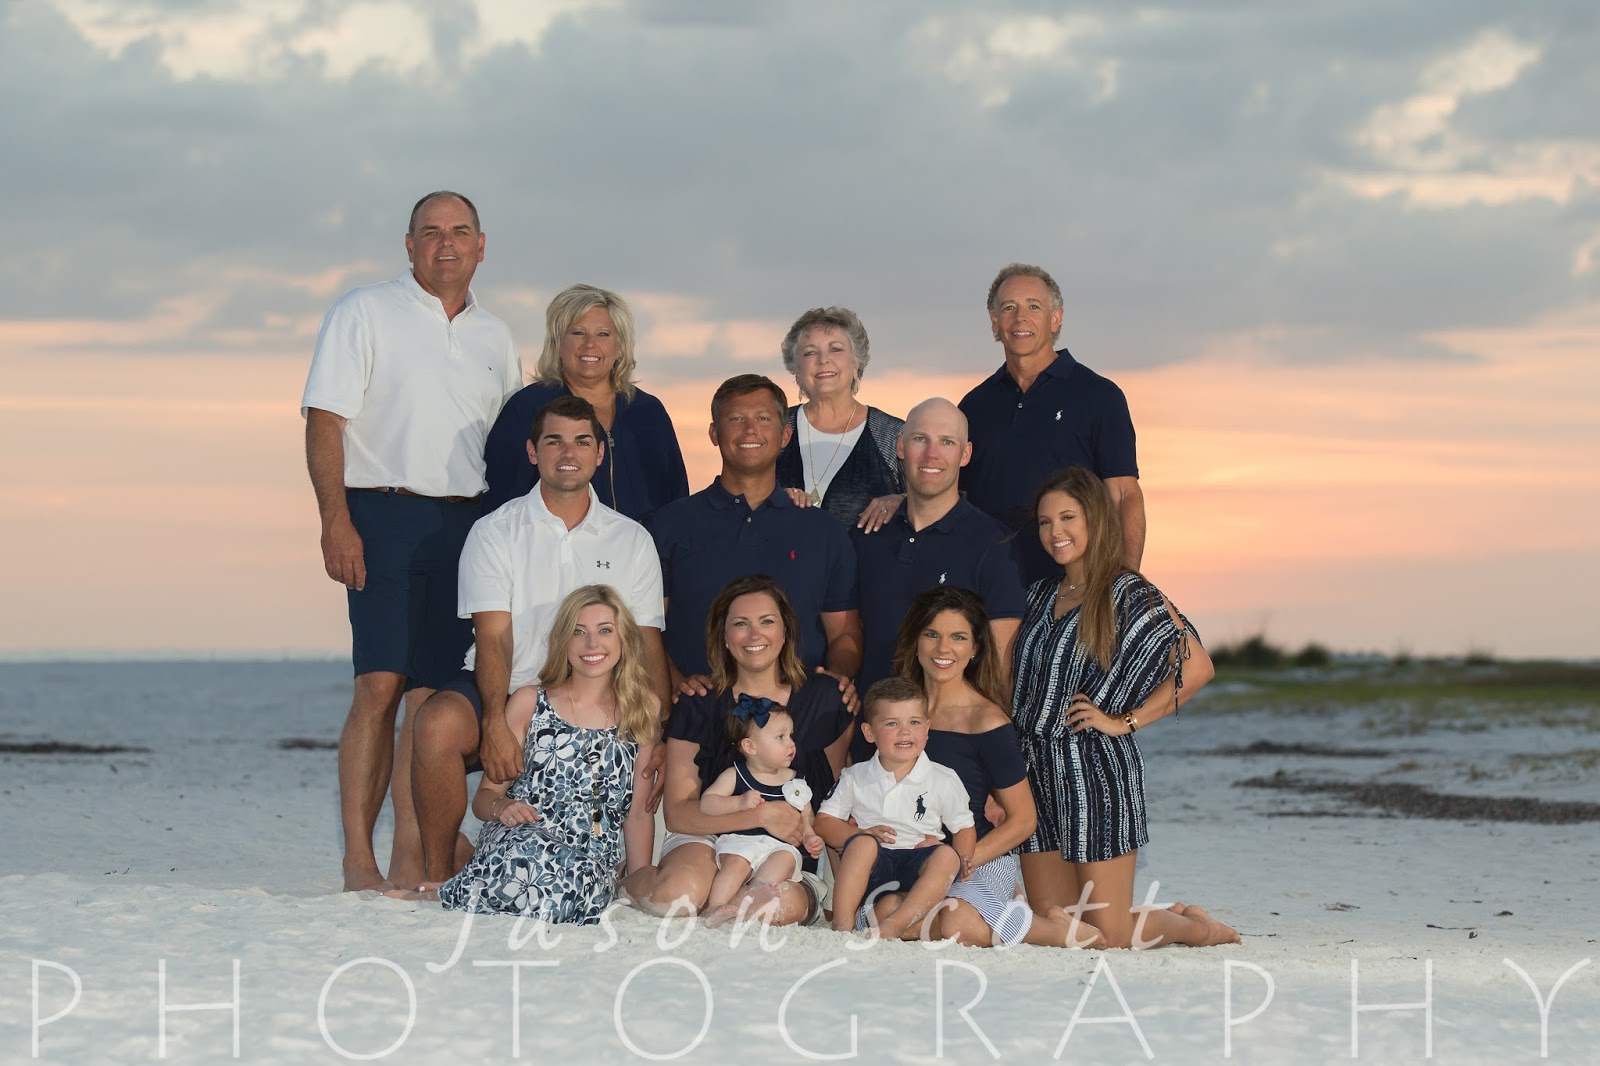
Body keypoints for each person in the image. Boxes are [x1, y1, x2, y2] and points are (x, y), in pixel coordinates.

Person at [301, 190, 523, 892]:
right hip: (382, 513)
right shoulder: (362, 312)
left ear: (482, 245)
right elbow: (324, 422)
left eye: (460, 232)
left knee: (429, 694)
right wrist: (336, 520)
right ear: (409, 245)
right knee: (379, 684)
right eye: (431, 233)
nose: (446, 244)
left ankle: (408, 857)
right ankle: (358, 860)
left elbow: (514, 447)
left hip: (467, 525)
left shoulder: (497, 336)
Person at [408, 395, 668, 887]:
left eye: (581, 441)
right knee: (437, 723)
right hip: (510, 683)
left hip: (598, 696)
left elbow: (647, 641)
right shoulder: (494, 532)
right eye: (554, 441)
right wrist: (493, 721)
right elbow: (493, 638)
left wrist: (661, 732)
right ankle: (441, 876)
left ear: (599, 454)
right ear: (532, 452)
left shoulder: (631, 539)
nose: (567, 452)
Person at [1012, 466, 1238, 948]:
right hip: (1035, 774)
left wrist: (1125, 722)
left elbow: (1196, 667)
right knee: (1062, 924)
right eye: (1046, 522)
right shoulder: (1036, 596)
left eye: (1068, 518)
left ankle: (1193, 927)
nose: (1056, 532)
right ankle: (1165, 915)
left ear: (1095, 519)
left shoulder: (1127, 592)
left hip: (1094, 772)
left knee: (1109, 934)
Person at [622, 576, 853, 924]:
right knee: (679, 898)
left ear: (787, 630)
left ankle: (731, 901)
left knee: (770, 906)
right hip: (706, 838)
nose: (754, 635)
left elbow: (834, 804)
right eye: (740, 624)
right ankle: (626, 881)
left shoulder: (826, 699)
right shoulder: (698, 703)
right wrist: (758, 816)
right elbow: (679, 815)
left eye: (767, 622)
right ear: (724, 637)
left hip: (784, 850)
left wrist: (841, 902)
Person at [883, 586, 1100, 948]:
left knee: (956, 922)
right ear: (915, 640)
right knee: (883, 911)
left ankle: (1053, 930)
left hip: (976, 859)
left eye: (958, 637)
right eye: (931, 634)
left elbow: (1023, 820)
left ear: (975, 649)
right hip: (908, 857)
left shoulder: (985, 721)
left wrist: (960, 859)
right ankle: (1004, 916)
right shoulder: (893, 708)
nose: (942, 649)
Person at [434, 586, 658, 921]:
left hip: (588, 859)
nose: (592, 644)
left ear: (624, 639)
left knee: (576, 883)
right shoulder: (529, 703)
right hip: (520, 839)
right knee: (527, 856)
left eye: (605, 631)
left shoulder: (643, 710)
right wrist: (504, 806)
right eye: (578, 632)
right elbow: (484, 800)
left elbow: (638, 814)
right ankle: (473, 874)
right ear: (563, 641)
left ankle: (473, 876)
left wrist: (637, 879)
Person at [647, 374, 862, 691]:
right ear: (714, 433)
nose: (750, 430)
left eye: (763, 418)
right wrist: (677, 686)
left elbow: (844, 633)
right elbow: (644, 629)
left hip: (797, 726)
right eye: (735, 419)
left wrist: (835, 680)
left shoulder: (823, 530)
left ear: (785, 434)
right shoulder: (667, 526)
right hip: (698, 723)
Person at [959, 263, 1145, 588]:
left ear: (1055, 318)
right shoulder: (973, 407)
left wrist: (1124, 585)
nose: (1021, 318)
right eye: (1009, 308)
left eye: (1034, 306)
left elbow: (1123, 495)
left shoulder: (1099, 396)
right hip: (989, 592)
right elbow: (951, 496)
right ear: (994, 322)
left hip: (1074, 590)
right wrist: (901, 498)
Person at [852, 397, 1025, 711]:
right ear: (901, 447)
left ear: (965, 454)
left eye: (947, 442)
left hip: (952, 735)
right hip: (873, 735)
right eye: (921, 439)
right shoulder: (867, 535)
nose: (932, 454)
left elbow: (1000, 668)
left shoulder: (994, 544)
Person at [481, 284, 688, 522]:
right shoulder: (527, 408)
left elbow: (676, 498)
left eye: (603, 334)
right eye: (578, 333)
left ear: (620, 345)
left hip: (641, 553)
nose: (590, 345)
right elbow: (501, 504)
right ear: (558, 343)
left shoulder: (649, 412)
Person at [815, 677, 976, 940]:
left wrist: (963, 858)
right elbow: (823, 822)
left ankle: (895, 926)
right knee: (862, 845)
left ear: (927, 728)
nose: (904, 732)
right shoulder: (855, 776)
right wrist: (859, 835)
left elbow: (964, 826)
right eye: (892, 723)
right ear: (869, 733)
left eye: (914, 722)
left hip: (919, 865)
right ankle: (842, 928)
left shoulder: (942, 778)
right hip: (872, 869)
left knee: (947, 856)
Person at [775, 306, 905, 531]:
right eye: (809, 352)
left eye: (836, 349)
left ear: (857, 362)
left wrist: (903, 500)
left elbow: (930, 502)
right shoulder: (774, 428)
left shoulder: (892, 434)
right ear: (795, 368)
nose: (823, 360)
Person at [697, 698, 824, 927]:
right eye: (781, 737)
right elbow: (707, 803)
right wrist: (737, 802)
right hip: (740, 841)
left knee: (785, 859)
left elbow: (806, 815)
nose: (791, 744)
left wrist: (809, 835)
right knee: (736, 864)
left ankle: (753, 894)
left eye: (791, 736)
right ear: (750, 747)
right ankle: (714, 908)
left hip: (778, 846)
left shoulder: (795, 780)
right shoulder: (735, 775)